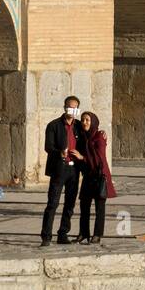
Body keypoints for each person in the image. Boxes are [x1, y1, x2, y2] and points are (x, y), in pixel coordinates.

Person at [40, 96, 85, 246]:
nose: (71, 110)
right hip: (59, 168)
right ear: (64, 107)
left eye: (75, 107)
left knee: (70, 204)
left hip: (74, 170)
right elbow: (48, 146)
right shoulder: (54, 125)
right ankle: (46, 236)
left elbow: (89, 137)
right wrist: (59, 153)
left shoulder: (78, 126)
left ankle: (63, 233)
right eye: (69, 107)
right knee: (53, 202)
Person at [79, 112, 115, 245]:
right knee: (84, 205)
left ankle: (97, 234)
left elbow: (99, 158)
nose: (84, 122)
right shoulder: (83, 136)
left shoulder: (99, 136)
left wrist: (82, 157)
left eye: (87, 120)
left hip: (100, 175)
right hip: (88, 175)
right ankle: (83, 233)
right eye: (83, 120)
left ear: (93, 121)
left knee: (99, 207)